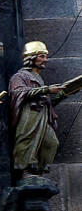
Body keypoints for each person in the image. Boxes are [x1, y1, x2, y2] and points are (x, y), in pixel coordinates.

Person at [9, 41, 65, 178]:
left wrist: (61, 96)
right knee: (27, 139)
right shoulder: (20, 76)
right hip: (29, 113)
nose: (45, 60)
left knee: (51, 142)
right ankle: (26, 170)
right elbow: (18, 92)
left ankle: (39, 171)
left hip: (43, 113)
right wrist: (46, 89)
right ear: (31, 58)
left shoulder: (38, 77)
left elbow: (45, 101)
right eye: (41, 56)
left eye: (45, 56)